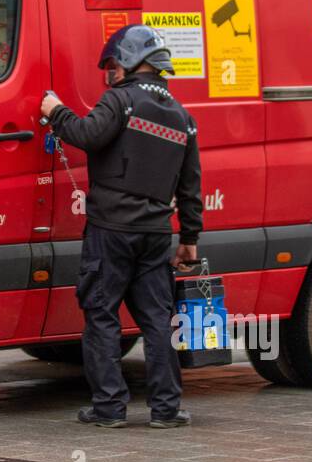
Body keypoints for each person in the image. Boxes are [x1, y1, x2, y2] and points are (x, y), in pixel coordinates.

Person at [40, 24, 202, 429]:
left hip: (110, 232)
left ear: (130, 60)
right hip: (155, 235)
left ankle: (110, 409)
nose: (109, 73)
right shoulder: (183, 117)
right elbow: (190, 186)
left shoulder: (121, 101)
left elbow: (85, 135)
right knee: (155, 321)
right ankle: (166, 410)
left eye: (112, 65)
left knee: (101, 315)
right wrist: (190, 240)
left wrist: (53, 111)